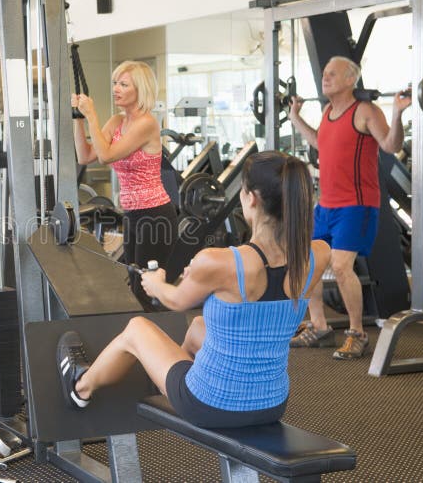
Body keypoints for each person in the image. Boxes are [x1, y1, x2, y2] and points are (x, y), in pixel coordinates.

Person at [56, 151, 330, 428]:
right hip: (272, 404)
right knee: (199, 326)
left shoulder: (220, 261)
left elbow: (174, 300)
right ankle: (166, 381)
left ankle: (80, 388)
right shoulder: (318, 255)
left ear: (251, 198)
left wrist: (155, 282)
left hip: (211, 404)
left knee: (137, 329)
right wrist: (202, 277)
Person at [288, 56, 411, 359]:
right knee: (307, 265)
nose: (325, 78)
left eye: (332, 74)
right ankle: (319, 327)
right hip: (326, 206)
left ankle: (357, 333)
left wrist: (396, 113)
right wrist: (294, 118)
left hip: (356, 205)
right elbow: (320, 143)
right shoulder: (329, 111)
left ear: (349, 80)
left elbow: (391, 146)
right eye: (324, 73)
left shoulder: (366, 111)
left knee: (341, 267)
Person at [72, 60, 177, 311]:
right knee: (133, 284)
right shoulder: (117, 121)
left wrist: (91, 115)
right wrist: (77, 118)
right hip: (131, 214)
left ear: (140, 90)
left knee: (147, 292)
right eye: (115, 84)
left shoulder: (147, 123)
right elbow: (85, 156)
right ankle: (141, 343)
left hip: (155, 215)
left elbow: (107, 155)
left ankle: (159, 345)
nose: (116, 89)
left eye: (123, 84)